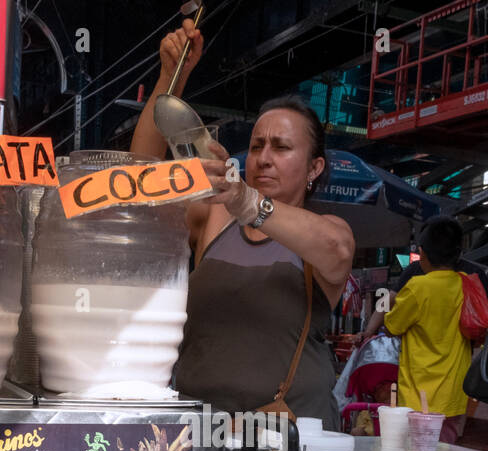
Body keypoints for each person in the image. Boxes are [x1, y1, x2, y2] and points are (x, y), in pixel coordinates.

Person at [130, 19, 356, 428]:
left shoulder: (325, 231)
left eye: (282, 147)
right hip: (202, 434)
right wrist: (170, 77)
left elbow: (336, 248)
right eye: (256, 146)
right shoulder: (215, 217)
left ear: (314, 167)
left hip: (292, 445)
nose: (264, 157)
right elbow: (141, 179)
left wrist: (250, 202)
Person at [362, 216, 472, 443]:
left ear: (422, 253)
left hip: (418, 395)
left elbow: (392, 326)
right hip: (453, 395)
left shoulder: (418, 287)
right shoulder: (465, 284)